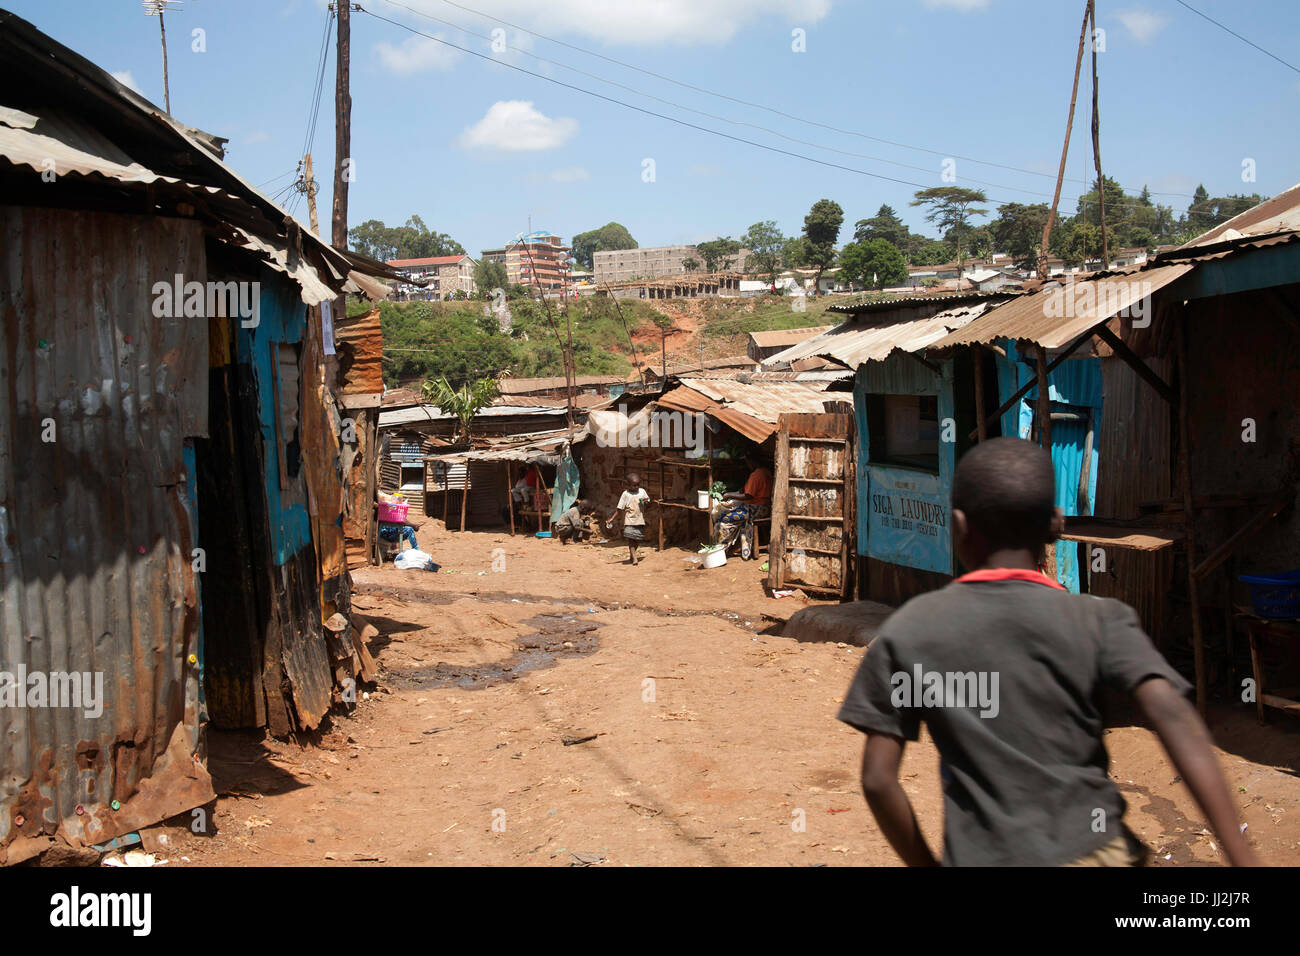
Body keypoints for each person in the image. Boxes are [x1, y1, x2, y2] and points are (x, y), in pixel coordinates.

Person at [838, 437, 1257, 867]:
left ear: (959, 526)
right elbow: (1174, 719)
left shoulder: (911, 630)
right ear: (1056, 526)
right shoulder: (1100, 620)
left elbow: (877, 780)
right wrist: (1243, 858)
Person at [716, 453, 773, 557]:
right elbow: (751, 490)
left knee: (724, 519)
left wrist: (730, 495)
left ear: (752, 461)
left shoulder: (756, 475)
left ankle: (721, 549)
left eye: (747, 462)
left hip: (755, 510)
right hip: (766, 508)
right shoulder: (766, 472)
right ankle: (736, 546)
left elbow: (748, 496)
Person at [606, 474, 651, 565]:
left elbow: (647, 501)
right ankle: (635, 558)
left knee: (637, 539)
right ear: (628, 485)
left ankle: (632, 555)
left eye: (638, 485)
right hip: (629, 520)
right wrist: (612, 519)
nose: (636, 487)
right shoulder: (625, 494)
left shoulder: (642, 491)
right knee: (631, 539)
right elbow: (619, 508)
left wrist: (645, 502)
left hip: (639, 520)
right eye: (634, 485)